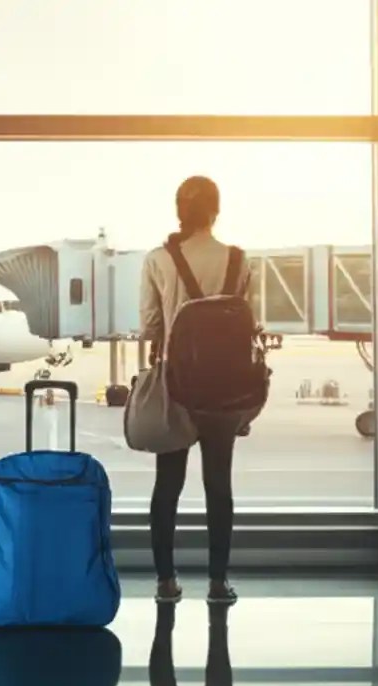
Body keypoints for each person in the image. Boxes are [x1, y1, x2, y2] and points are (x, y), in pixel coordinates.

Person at [139, 175, 250, 605]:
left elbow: (149, 325)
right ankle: (219, 582)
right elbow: (246, 322)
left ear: (179, 212)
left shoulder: (158, 259)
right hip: (226, 387)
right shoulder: (240, 260)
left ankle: (166, 581)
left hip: (176, 382)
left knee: (168, 484)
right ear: (216, 210)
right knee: (218, 484)